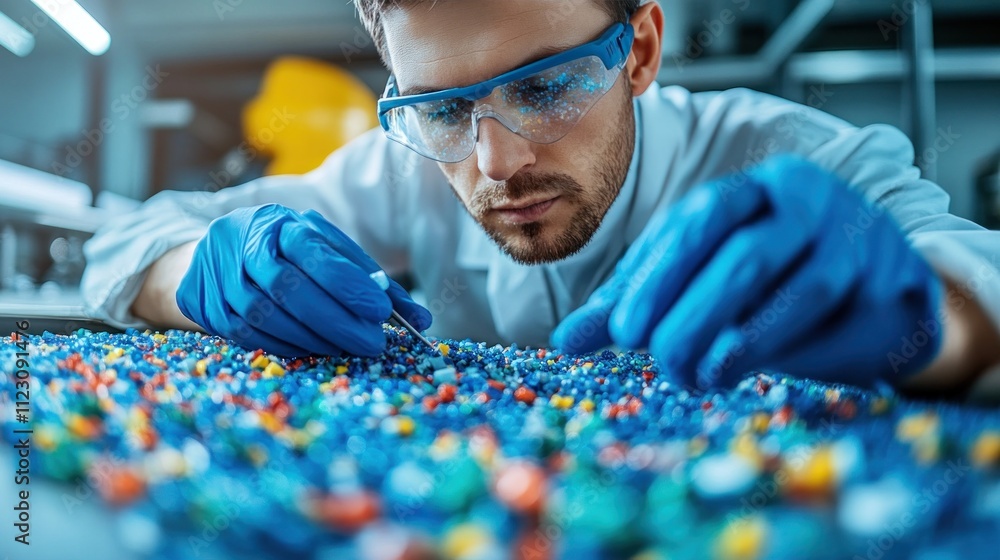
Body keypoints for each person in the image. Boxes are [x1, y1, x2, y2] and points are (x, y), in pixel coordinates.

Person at [83, 0, 1000, 395]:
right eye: (443, 107)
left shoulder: (787, 153)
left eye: (543, 86)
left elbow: (972, 283)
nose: (496, 161)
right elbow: (124, 242)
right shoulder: (402, 166)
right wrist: (196, 272)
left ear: (639, 50)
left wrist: (932, 319)